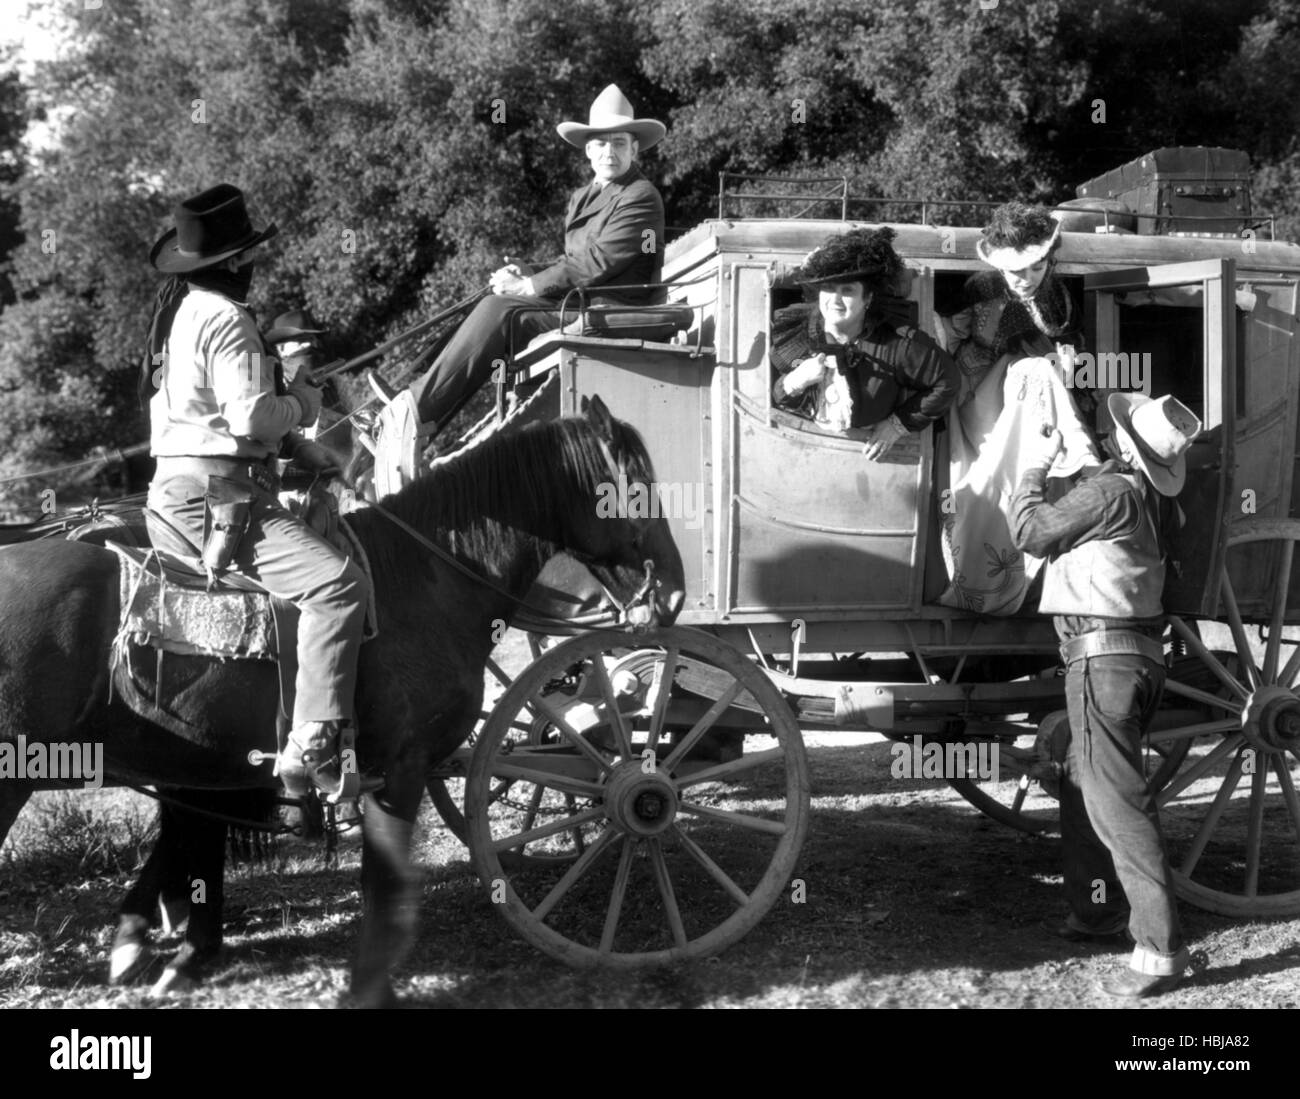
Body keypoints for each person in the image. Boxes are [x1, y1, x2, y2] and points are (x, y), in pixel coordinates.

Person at [143, 183, 368, 801]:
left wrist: (297, 445)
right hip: (217, 495)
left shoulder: (179, 313)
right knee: (338, 585)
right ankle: (312, 746)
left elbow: (210, 417)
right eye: (251, 255)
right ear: (239, 261)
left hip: (181, 485)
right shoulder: (229, 319)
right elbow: (249, 419)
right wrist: (303, 402)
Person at [1010, 392, 1203, 998]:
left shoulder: (1112, 493)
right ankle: (1095, 911)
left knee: (1121, 808)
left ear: (1124, 445)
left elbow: (1029, 531)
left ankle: (1160, 952)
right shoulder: (1148, 502)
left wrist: (1035, 467)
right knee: (1079, 774)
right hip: (1137, 661)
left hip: (1103, 665)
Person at [404, 84, 667, 436]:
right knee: (492, 303)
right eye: (601, 144)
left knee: (501, 313)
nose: (609, 152)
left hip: (615, 308)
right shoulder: (583, 196)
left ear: (634, 149)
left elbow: (598, 262)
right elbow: (573, 258)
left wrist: (529, 286)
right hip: (583, 300)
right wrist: (530, 271)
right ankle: (421, 407)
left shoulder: (640, 196)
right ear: (588, 150)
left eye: (619, 143)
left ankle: (416, 413)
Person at [933, 202, 1100, 613]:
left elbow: (1081, 362)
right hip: (978, 398)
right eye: (1014, 272)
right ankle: (1082, 461)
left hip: (1039, 400)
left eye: (1034, 269)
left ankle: (1069, 464)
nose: (1024, 281)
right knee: (1032, 373)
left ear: (1049, 262)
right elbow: (945, 335)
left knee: (1039, 373)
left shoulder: (1063, 300)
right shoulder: (978, 291)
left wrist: (1072, 366)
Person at [770, 227, 958, 460]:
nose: (835, 300)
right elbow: (779, 396)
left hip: (873, 465)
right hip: (802, 457)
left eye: (847, 290)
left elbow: (947, 381)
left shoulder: (897, 345)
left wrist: (897, 425)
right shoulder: (801, 334)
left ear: (867, 299)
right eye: (828, 289)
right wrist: (797, 380)